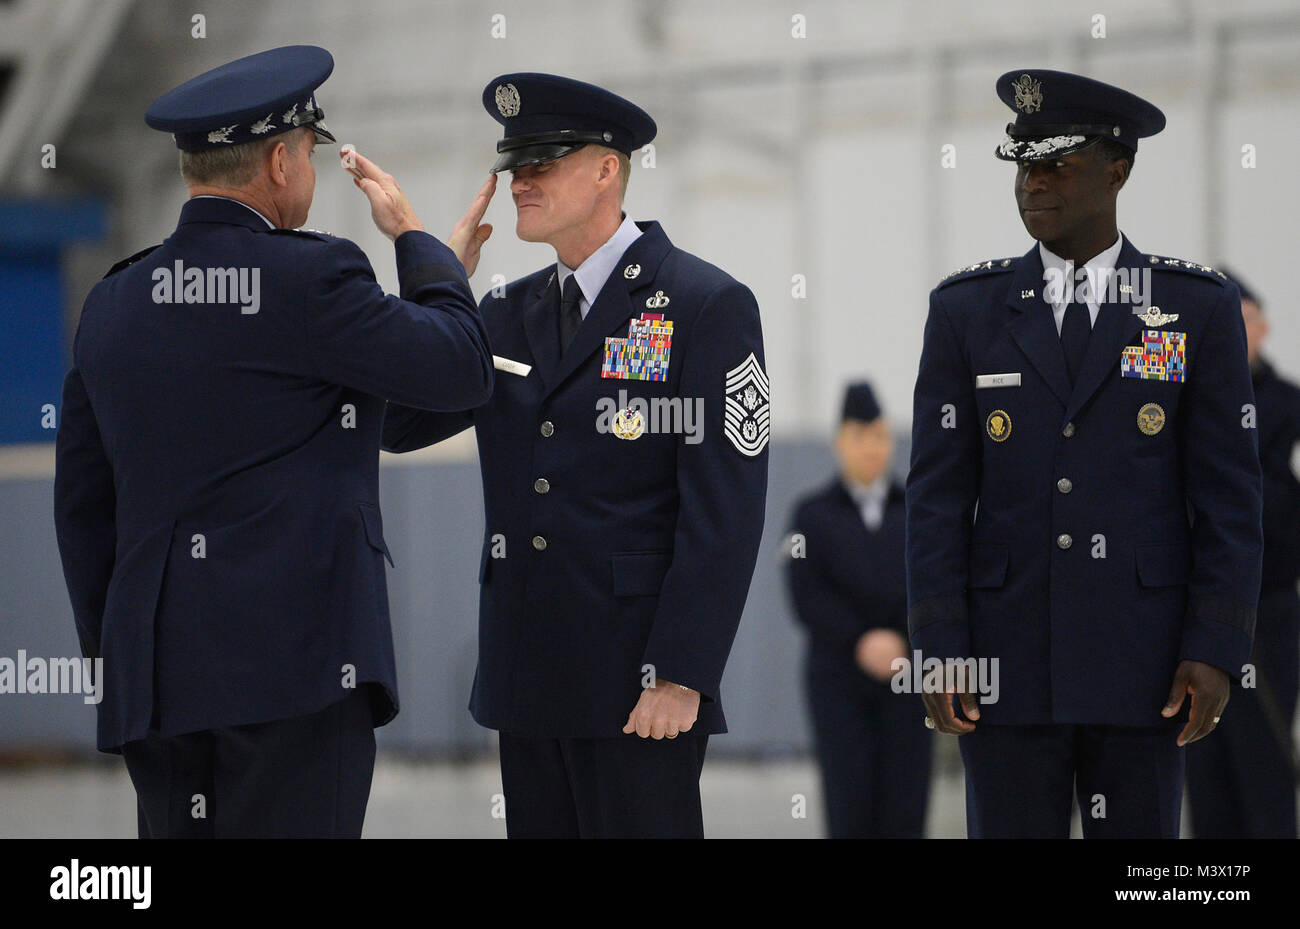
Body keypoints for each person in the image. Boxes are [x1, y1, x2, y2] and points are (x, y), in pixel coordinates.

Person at [53, 45, 496, 838]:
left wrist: (116, 654)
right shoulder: (311, 278)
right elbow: (461, 368)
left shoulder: (113, 302)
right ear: (284, 161)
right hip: (292, 673)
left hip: (154, 685)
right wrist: (421, 249)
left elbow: (83, 511)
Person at [382, 72, 768, 838]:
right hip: (527, 679)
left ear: (606, 168)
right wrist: (438, 292)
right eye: (514, 164)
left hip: (639, 683)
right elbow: (397, 423)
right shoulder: (500, 312)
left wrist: (683, 672)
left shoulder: (701, 304)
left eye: (544, 162)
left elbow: (724, 513)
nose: (520, 181)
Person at [905, 69, 1263, 838]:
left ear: (1118, 169)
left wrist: (1217, 645)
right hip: (1004, 668)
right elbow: (935, 498)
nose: (1033, 184)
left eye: (1057, 164)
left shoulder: (1195, 309)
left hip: (1147, 668)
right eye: (1024, 165)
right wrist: (938, 643)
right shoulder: (966, 312)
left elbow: (1230, 497)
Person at [785, 382, 932, 838]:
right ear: (839, 442)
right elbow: (806, 595)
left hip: (907, 675)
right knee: (848, 796)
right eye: (858, 437)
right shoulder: (810, 515)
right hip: (838, 679)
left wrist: (902, 639)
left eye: (879, 437)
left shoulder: (918, 509)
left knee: (906, 798)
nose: (870, 448)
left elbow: (934, 583)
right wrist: (860, 640)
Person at [1186, 268, 1300, 838]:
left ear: (1263, 328)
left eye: (1241, 322)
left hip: (1266, 610)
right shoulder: (1187, 397)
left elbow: (1279, 512)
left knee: (1264, 761)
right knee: (1204, 763)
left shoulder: (1289, 408)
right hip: (1195, 608)